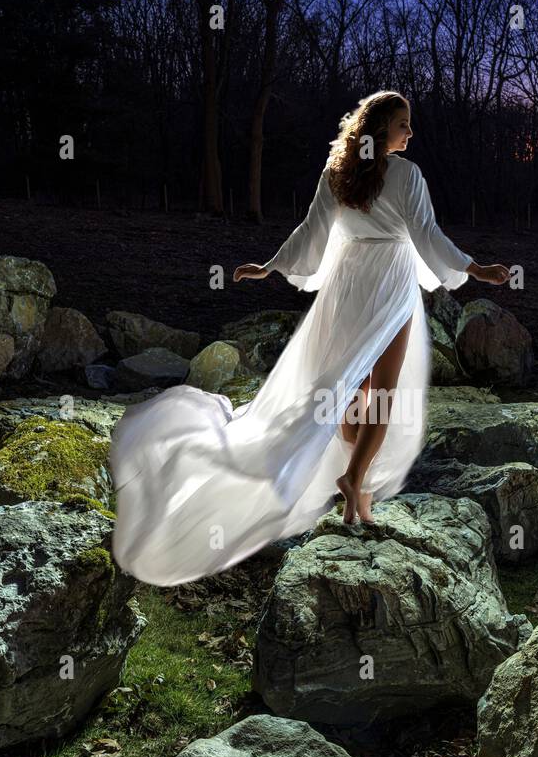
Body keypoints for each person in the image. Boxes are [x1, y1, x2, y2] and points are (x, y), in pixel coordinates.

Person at [108, 89, 510, 586]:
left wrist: (271, 264)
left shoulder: (338, 172)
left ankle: (356, 495)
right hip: (388, 281)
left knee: (344, 388)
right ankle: (354, 477)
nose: (411, 132)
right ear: (382, 128)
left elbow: (310, 233)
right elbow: (427, 236)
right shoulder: (406, 175)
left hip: (346, 282)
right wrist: (475, 267)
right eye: (404, 123)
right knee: (381, 392)